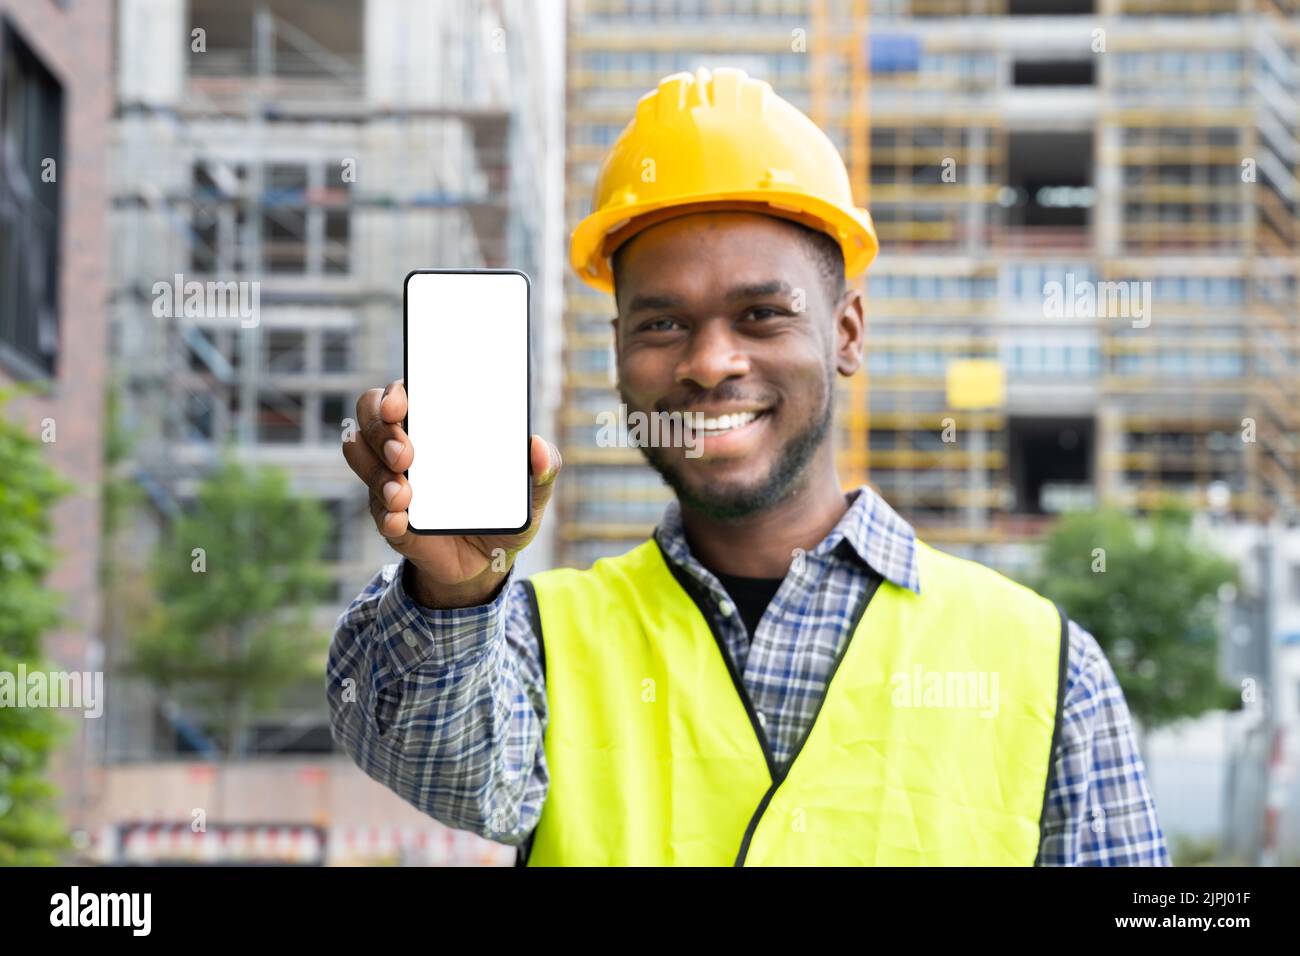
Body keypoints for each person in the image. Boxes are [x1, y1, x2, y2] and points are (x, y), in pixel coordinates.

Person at [327, 67, 1168, 866]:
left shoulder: (1046, 667)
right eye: (661, 324)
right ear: (618, 353)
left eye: (761, 314)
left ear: (846, 333)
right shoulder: (531, 642)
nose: (710, 361)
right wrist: (456, 592)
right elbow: (427, 754)